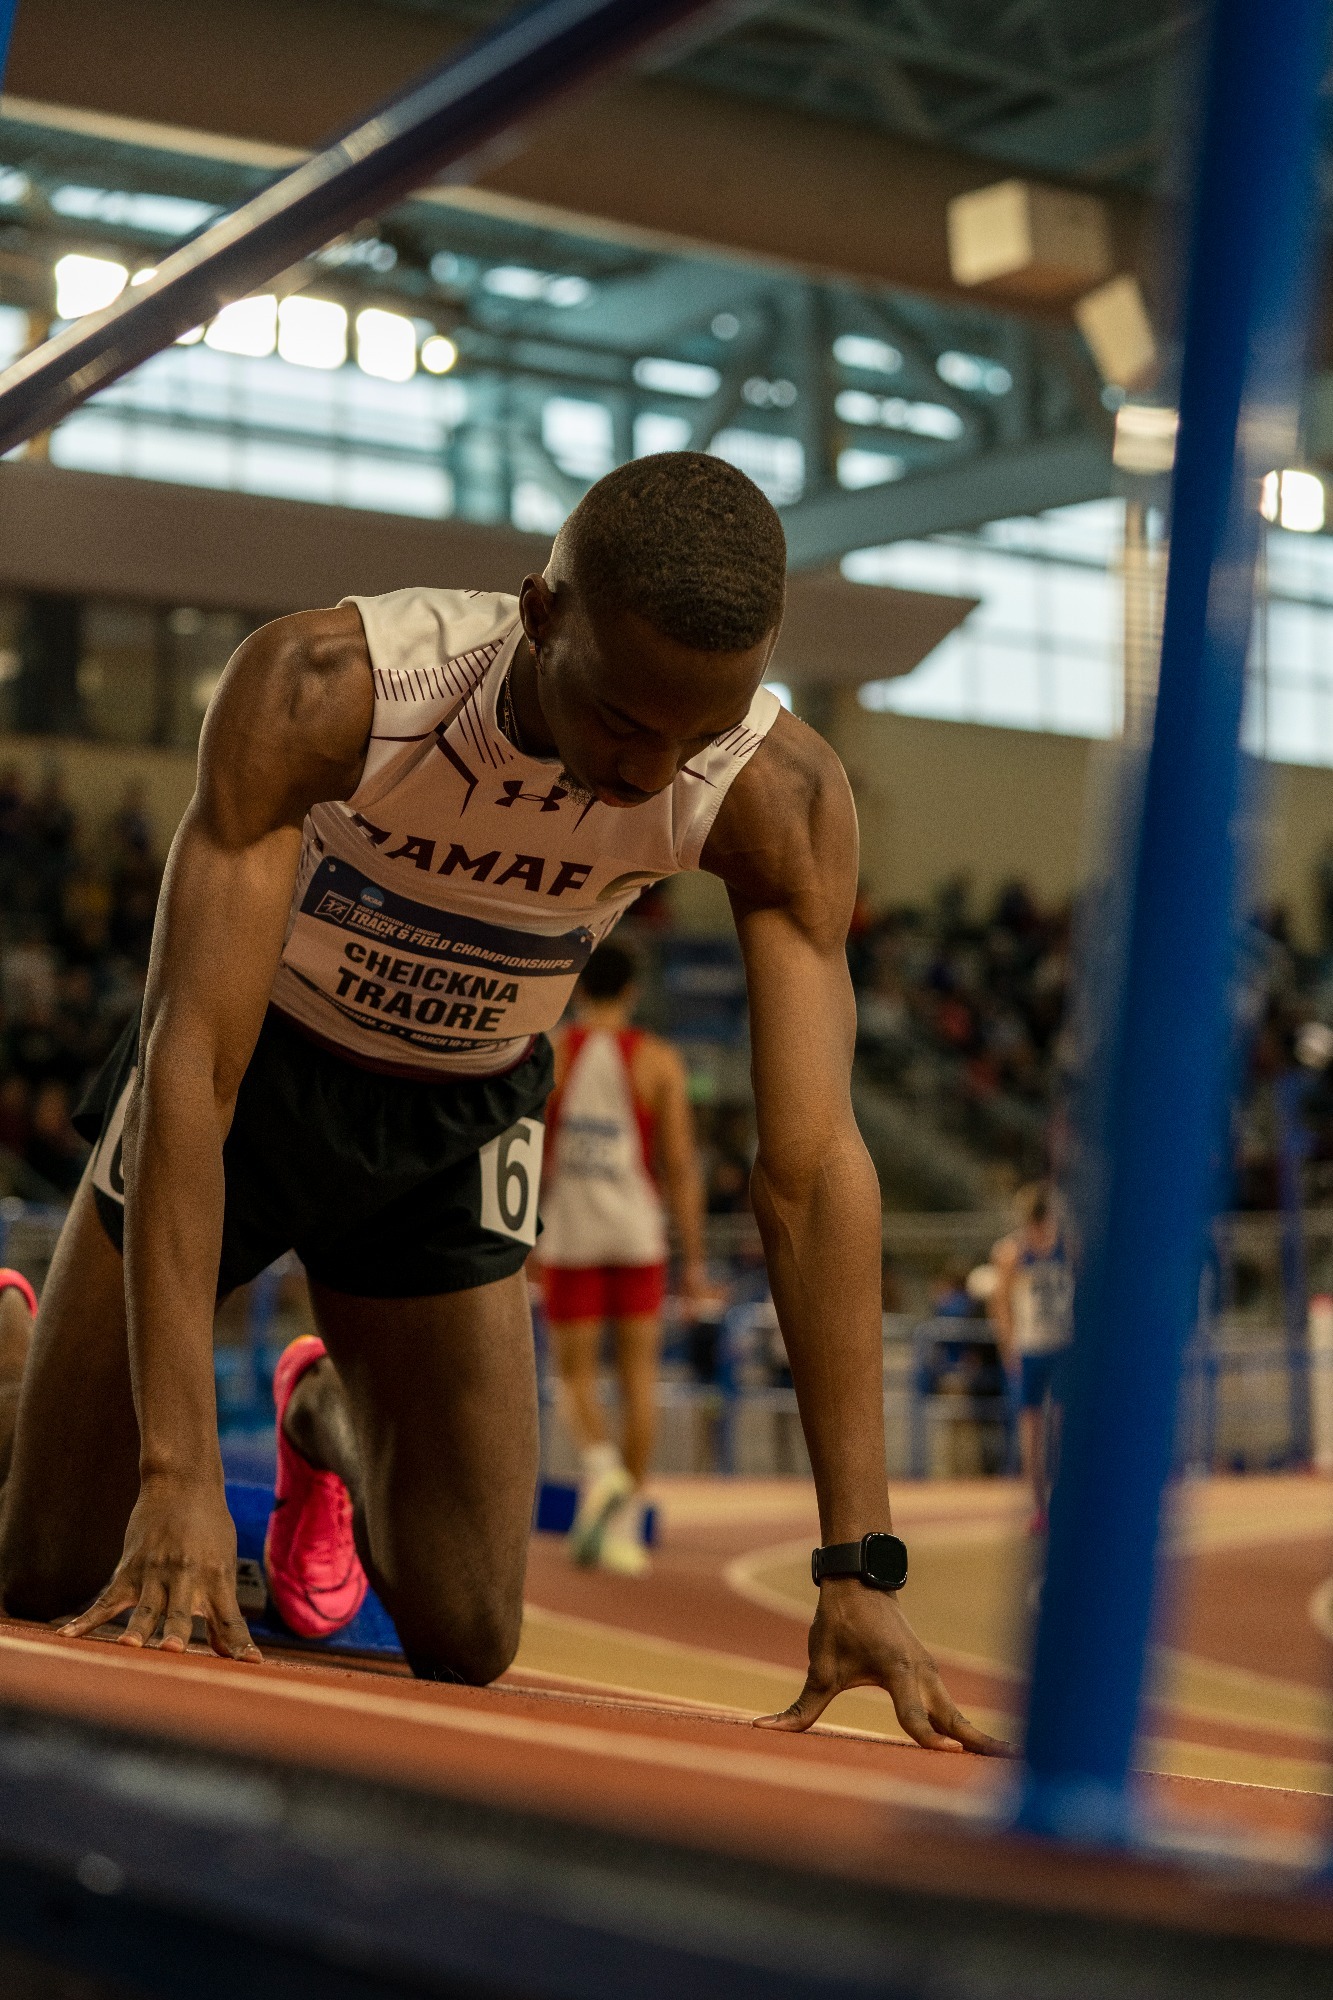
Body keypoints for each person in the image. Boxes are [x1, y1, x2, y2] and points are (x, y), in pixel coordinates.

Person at [0, 452, 1002, 1757]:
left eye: (698, 732)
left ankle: (327, 1419)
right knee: (45, 1570)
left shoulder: (777, 792)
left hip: (457, 1121)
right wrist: (180, 1472)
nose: (653, 772)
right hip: (254, 1078)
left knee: (469, 1637)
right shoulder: (331, 688)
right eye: (624, 721)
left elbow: (811, 1169)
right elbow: (191, 1066)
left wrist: (856, 1566)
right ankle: (21, 1357)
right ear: (540, 614)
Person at [539, 940, 704, 1576]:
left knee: (573, 1375)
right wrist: (692, 1260)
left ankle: (600, 1467)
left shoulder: (555, 1053)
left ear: (580, 988)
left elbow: (529, 1148)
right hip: (638, 1234)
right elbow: (682, 1167)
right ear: (632, 991)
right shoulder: (660, 1063)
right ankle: (625, 1527)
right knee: (639, 1379)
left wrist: (525, 1235)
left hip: (573, 1233)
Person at [989, 1181, 1073, 1535]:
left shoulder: (1068, 1248)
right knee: (1032, 1432)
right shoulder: (1012, 1253)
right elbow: (1000, 1305)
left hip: (1063, 1346)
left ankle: (1066, 1501)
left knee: (1062, 1428)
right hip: (1032, 1348)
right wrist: (1009, 1349)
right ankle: (1040, 1508)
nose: (1040, 1230)